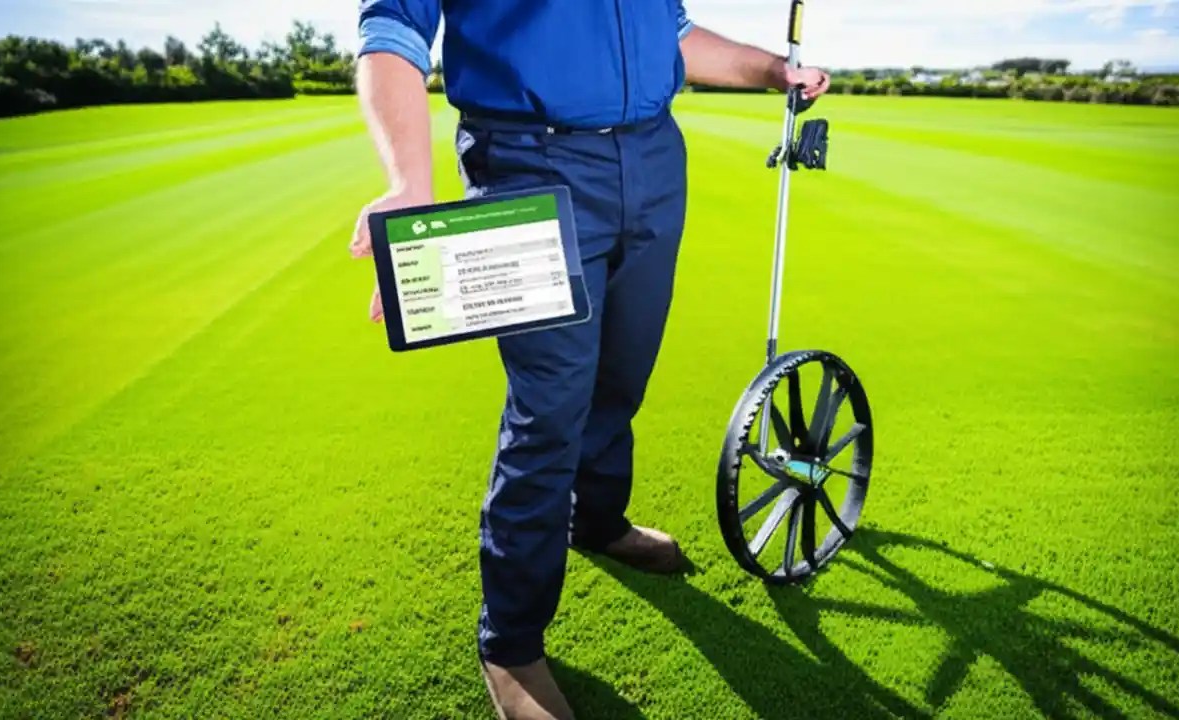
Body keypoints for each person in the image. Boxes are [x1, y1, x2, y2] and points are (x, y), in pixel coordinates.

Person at [349, 2, 830, 718]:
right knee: (551, 406)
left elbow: (672, 37)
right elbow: (391, 32)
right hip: (528, 163)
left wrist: (769, 69)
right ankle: (510, 642)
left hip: (654, 157)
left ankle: (597, 521)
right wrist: (410, 182)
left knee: (622, 373)